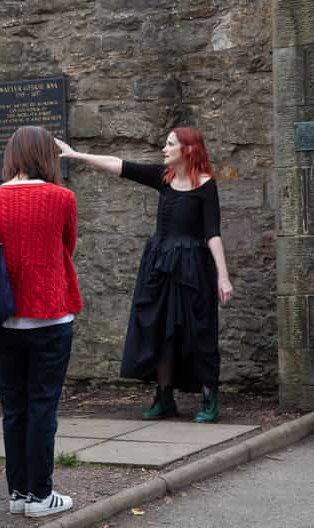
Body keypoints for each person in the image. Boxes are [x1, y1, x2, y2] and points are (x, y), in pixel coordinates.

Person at [56, 127, 233, 423]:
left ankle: (209, 396)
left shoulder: (206, 186)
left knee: (198, 330)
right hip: (159, 265)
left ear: (188, 150)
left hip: (192, 268)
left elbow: (212, 233)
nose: (164, 149)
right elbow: (118, 165)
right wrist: (75, 155)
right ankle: (164, 398)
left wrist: (222, 276)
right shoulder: (163, 178)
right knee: (159, 328)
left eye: (170, 144)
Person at [0, 126, 82, 518]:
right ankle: (41, 495)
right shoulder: (63, 198)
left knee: (13, 408)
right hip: (51, 317)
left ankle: (19, 493)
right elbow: (67, 248)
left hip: (3, 318)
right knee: (42, 407)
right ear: (47, 156)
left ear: (11, 155)